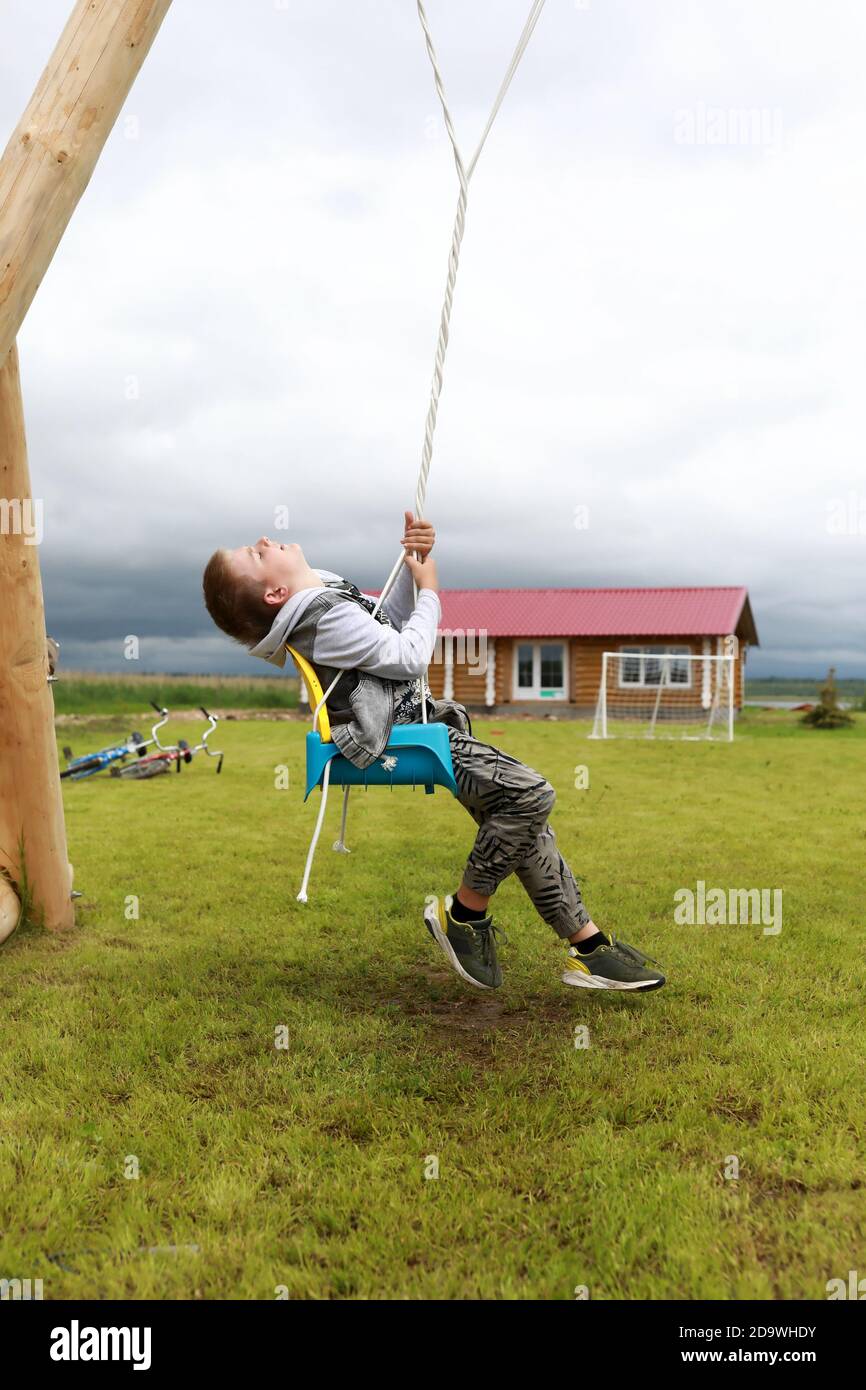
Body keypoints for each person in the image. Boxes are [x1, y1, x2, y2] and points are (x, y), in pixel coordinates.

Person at [202, 514, 665, 993]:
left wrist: (411, 562)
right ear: (275, 595)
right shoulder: (323, 618)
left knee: (522, 822)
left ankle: (588, 949)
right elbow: (408, 655)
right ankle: (464, 915)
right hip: (404, 738)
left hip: (422, 727)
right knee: (530, 795)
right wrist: (430, 590)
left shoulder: (325, 597)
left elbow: (390, 624)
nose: (262, 540)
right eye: (256, 555)